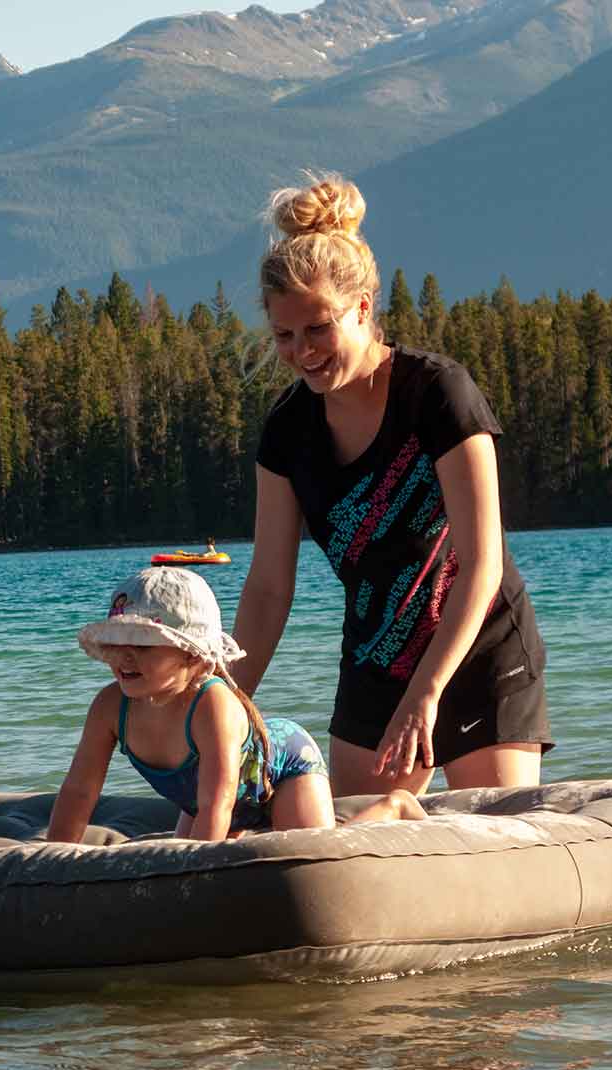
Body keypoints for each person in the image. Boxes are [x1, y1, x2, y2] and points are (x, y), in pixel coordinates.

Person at [230, 172, 552, 798]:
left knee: (492, 844)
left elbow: (481, 563)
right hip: (377, 660)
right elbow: (269, 587)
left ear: (362, 308)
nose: (302, 352)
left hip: (481, 649)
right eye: (284, 336)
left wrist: (428, 693)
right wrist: (228, 699)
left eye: (318, 328)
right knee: (363, 851)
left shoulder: (438, 393)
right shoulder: (287, 432)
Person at [48, 566, 426, 843]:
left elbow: (218, 803)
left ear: (192, 656)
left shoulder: (212, 702)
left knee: (314, 847)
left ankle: (393, 807)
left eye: (143, 645)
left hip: (282, 770)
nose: (124, 657)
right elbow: (80, 791)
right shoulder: (110, 706)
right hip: (208, 793)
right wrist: (55, 863)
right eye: (117, 642)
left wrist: (191, 879)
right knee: (187, 841)